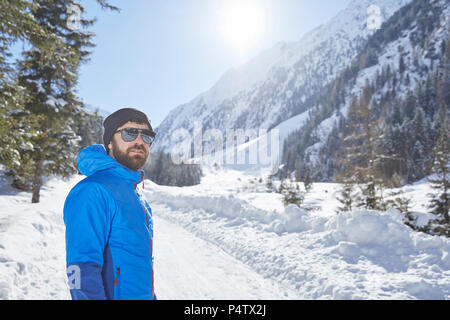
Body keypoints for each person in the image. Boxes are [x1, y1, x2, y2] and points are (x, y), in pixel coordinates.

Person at [63, 107, 157, 300]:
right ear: (110, 144)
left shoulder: (136, 194)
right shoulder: (93, 191)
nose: (140, 141)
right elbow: (81, 270)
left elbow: (139, 266)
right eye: (130, 133)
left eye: (147, 135)